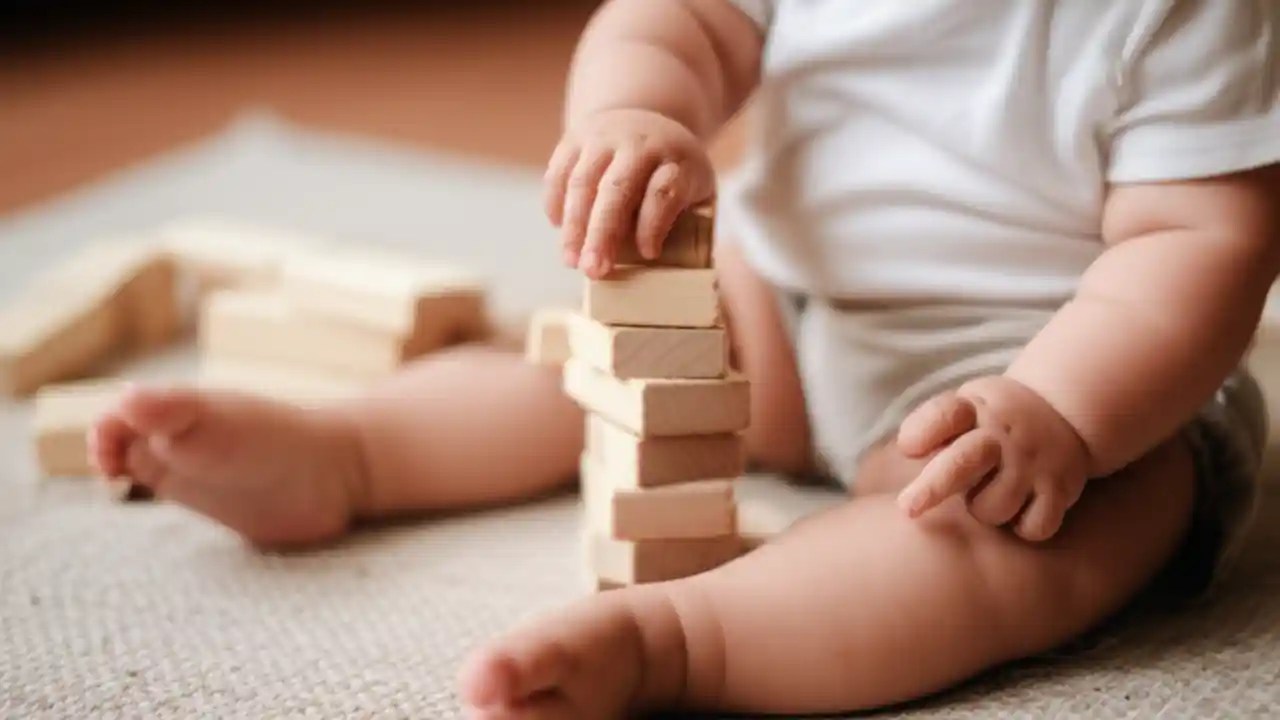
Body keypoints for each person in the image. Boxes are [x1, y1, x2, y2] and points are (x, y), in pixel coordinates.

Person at [91, 1, 1280, 716]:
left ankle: (683, 643)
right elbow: (676, 22)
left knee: (1016, 540)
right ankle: (352, 453)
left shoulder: (1185, 13)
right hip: (786, 296)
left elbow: (1197, 243)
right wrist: (638, 115)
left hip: (1052, 378)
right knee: (600, 367)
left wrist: (1058, 411)